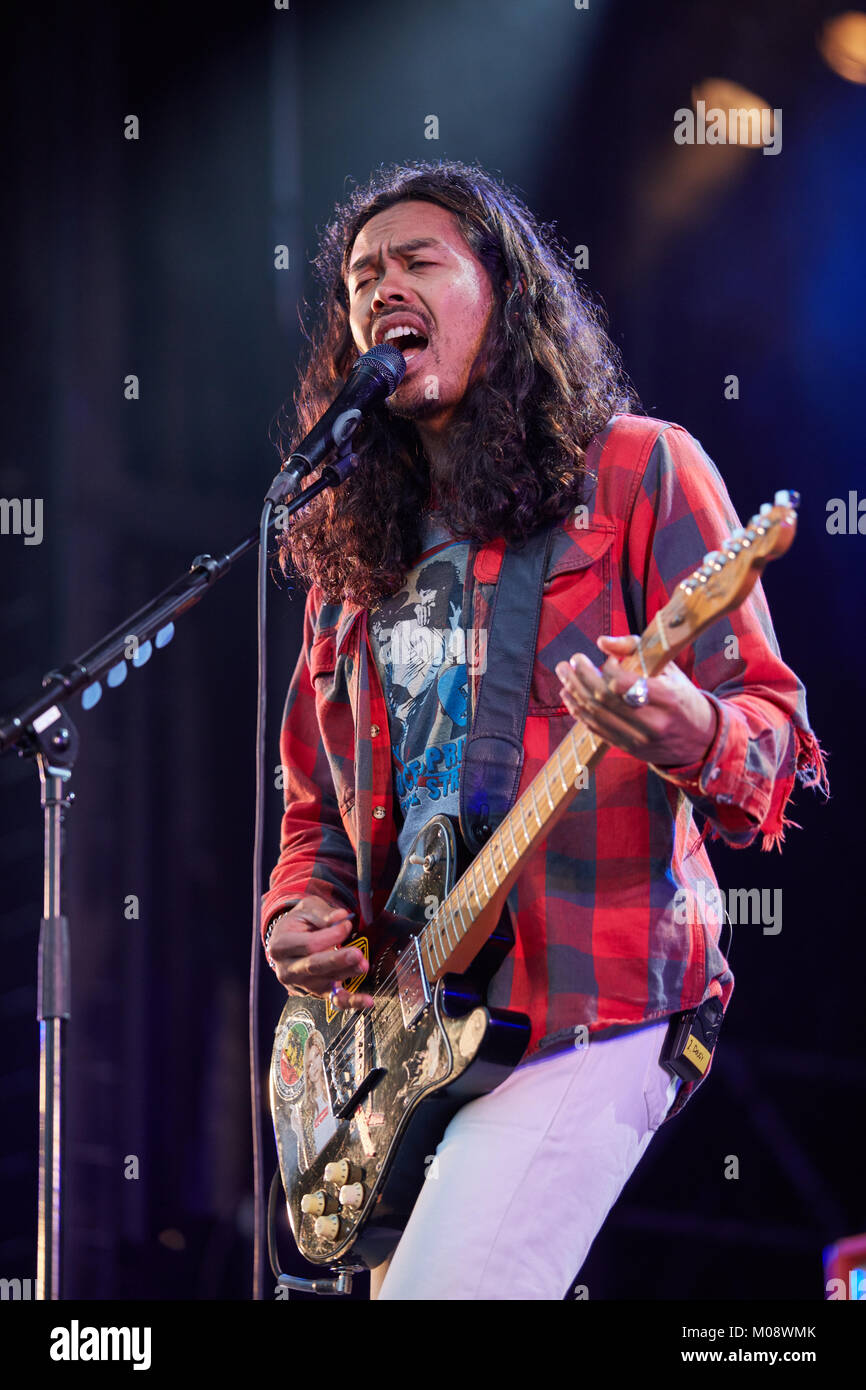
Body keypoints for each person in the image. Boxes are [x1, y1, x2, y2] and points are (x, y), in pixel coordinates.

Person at [261, 160, 828, 1300]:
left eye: (420, 261)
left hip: (593, 997)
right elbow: (313, 806)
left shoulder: (636, 471)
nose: (383, 287)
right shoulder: (351, 561)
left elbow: (771, 732)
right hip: (401, 1036)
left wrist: (683, 722)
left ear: (503, 293)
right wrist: (296, 912)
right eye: (364, 275)